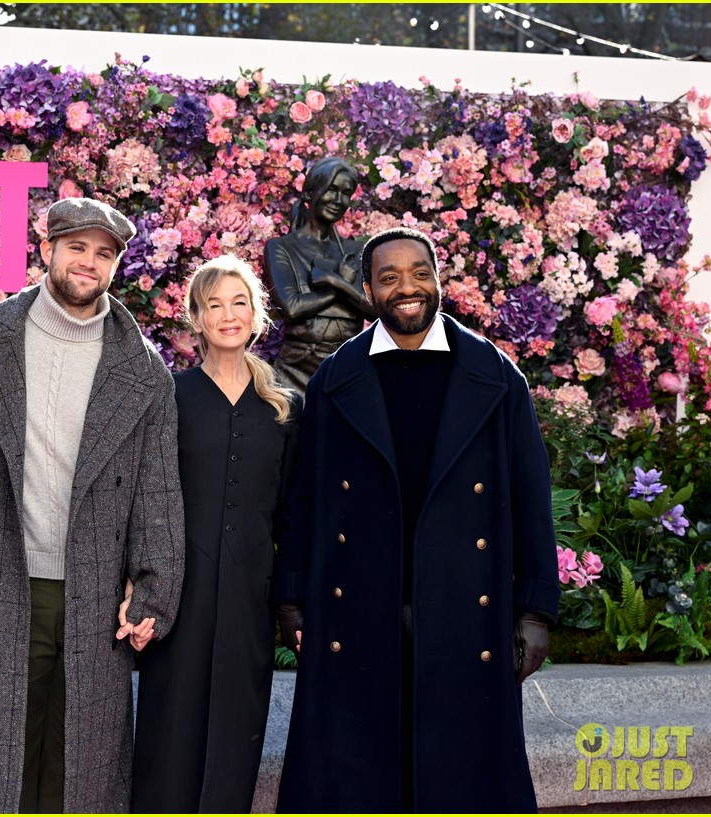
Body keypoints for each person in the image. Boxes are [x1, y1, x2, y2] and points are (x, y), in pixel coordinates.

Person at [273, 227, 560, 812]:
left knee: (460, 783)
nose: (407, 288)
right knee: (359, 780)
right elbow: (306, 497)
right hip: (359, 610)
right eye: (389, 277)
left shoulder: (495, 376)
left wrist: (535, 611)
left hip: (464, 613)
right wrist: (292, 598)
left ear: (437, 280)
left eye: (418, 273)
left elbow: (532, 498)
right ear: (369, 290)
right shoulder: (336, 378)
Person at [0, 196, 185, 813]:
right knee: (0, 754)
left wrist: (155, 588)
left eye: (104, 254)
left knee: (78, 764)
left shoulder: (143, 369)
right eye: (77, 247)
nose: (88, 263)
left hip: (95, 589)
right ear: (48, 249)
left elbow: (158, 488)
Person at [131, 255, 299, 813]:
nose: (228, 315)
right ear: (196, 320)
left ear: (256, 315)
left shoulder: (283, 409)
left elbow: (293, 514)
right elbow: (140, 500)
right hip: (179, 595)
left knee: (237, 731)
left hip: (252, 597)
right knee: (169, 729)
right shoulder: (169, 398)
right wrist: (136, 587)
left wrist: (290, 601)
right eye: (214, 305)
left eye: (240, 302)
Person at [266, 156, 375, 393]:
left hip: (347, 369)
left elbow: (374, 309)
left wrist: (334, 282)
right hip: (295, 369)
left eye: (346, 193)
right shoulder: (281, 247)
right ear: (310, 193)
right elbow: (293, 307)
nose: (338, 200)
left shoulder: (355, 251)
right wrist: (345, 290)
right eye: (332, 189)